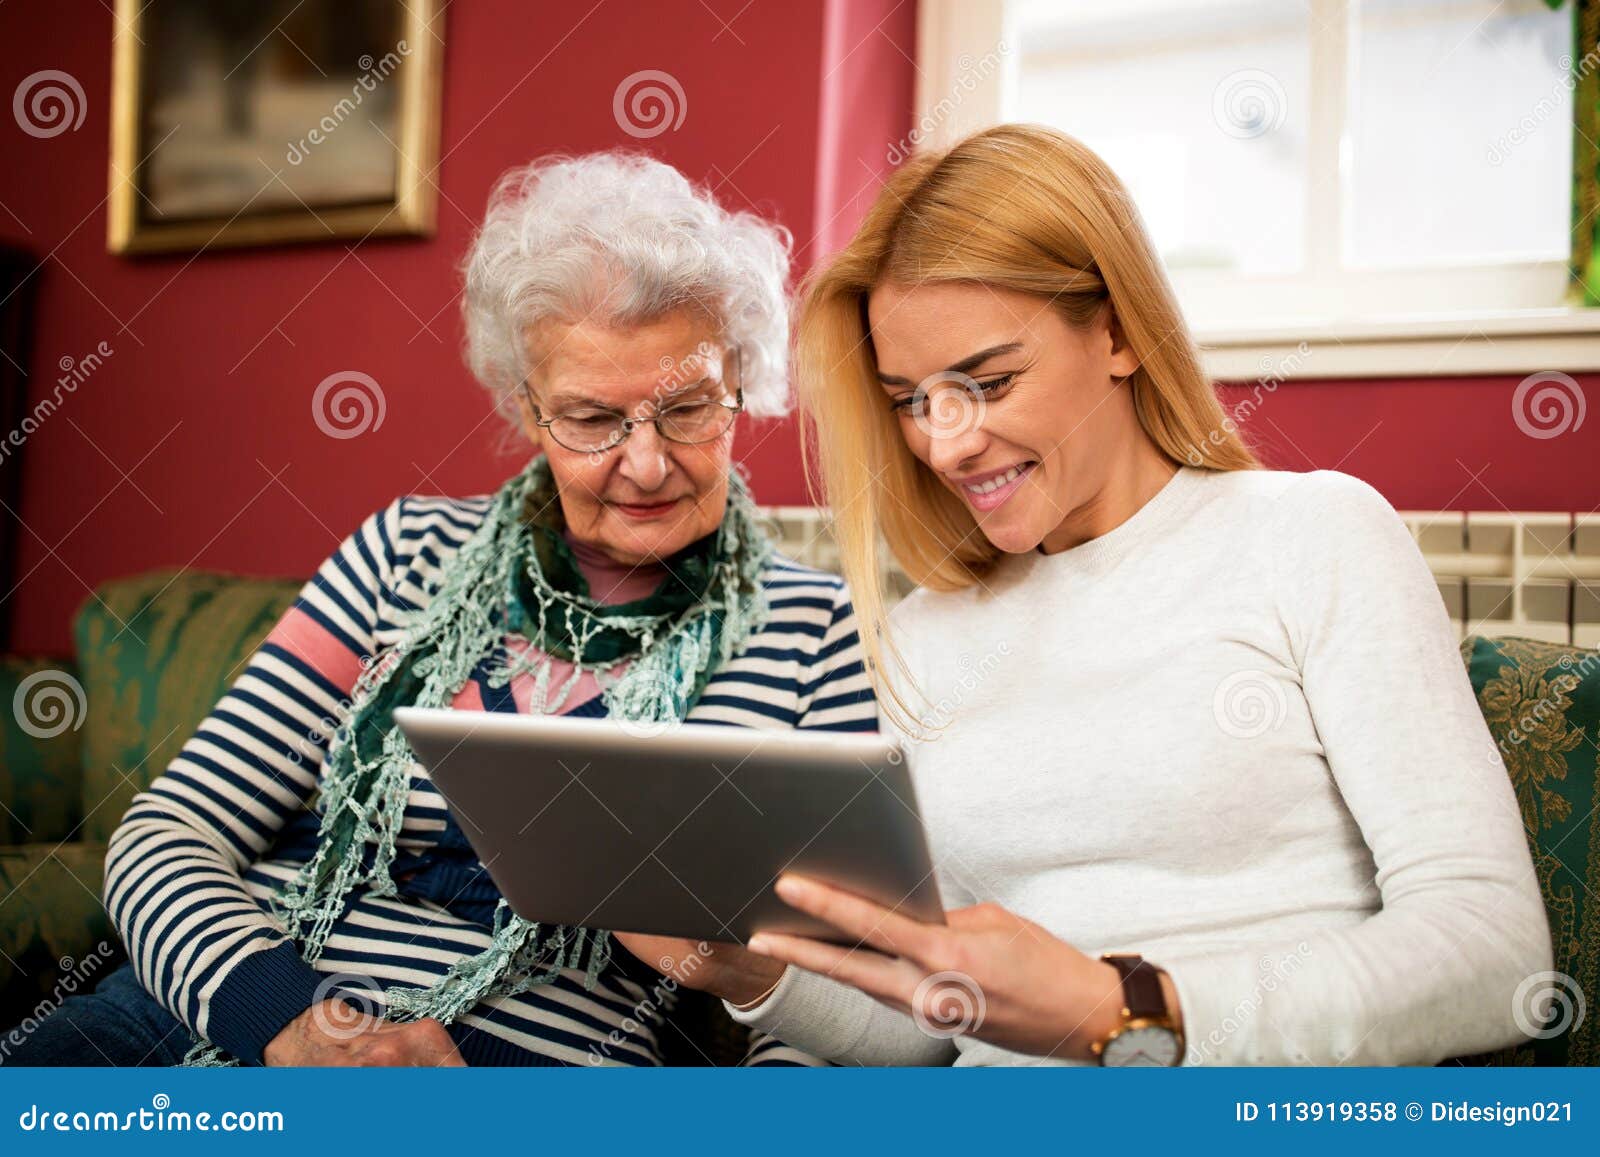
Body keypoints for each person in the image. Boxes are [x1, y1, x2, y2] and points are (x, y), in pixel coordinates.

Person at [641, 124, 1553, 1067]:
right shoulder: (918, 637)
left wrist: (1123, 1012)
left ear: (1116, 331)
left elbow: (1493, 951)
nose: (944, 442)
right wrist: (754, 975)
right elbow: (931, 1037)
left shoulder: (1313, 535)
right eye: (911, 399)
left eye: (987, 381)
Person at [4, 152, 872, 1067]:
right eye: (589, 418)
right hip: (212, 1021)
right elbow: (167, 832)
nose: (647, 464)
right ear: (527, 407)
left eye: (688, 408)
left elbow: (831, 1000)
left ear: (744, 385)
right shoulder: (403, 551)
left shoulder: (816, 629)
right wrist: (285, 1022)